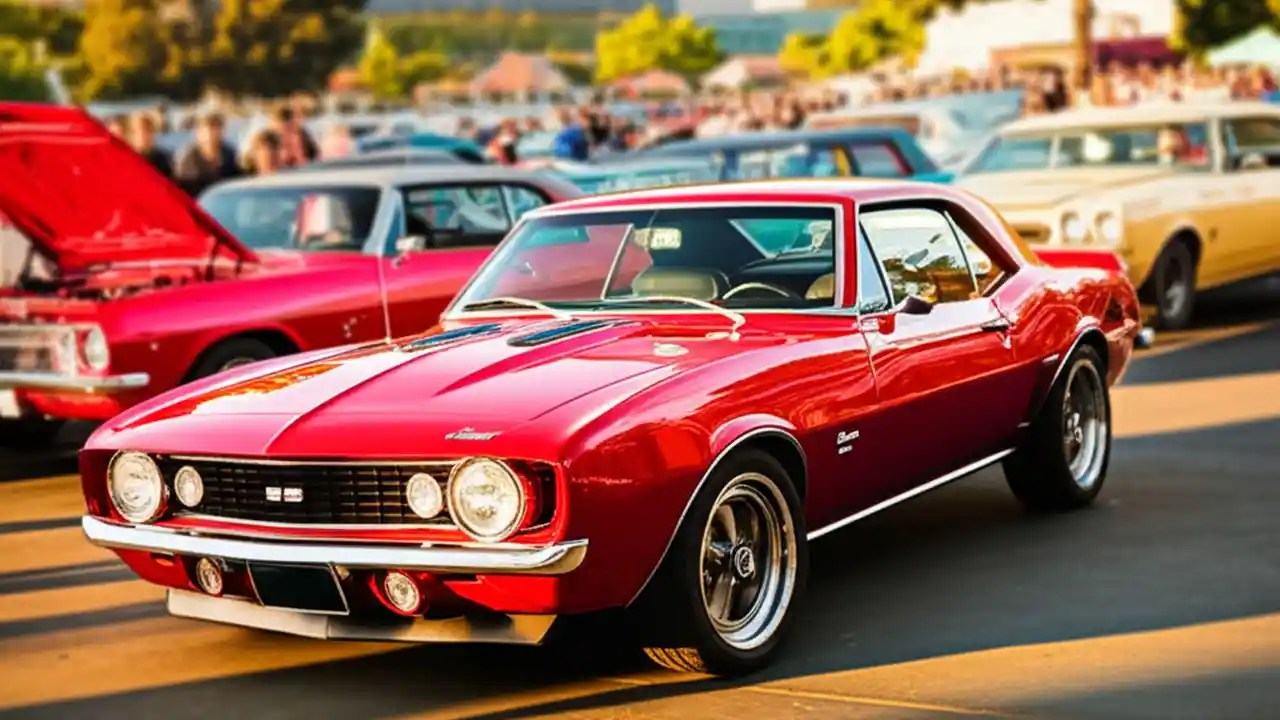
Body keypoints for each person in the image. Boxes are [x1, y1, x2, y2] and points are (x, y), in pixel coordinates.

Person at [173, 113, 241, 197]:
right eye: (207, 129)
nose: (211, 134)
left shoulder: (231, 155)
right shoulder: (188, 159)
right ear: (198, 133)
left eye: (216, 128)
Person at [128, 112, 172, 177]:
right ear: (133, 134)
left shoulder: (163, 160)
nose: (144, 135)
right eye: (141, 131)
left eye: (148, 131)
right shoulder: (128, 159)